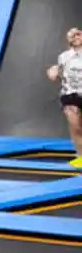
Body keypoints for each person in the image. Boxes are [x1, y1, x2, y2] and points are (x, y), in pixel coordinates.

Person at [46, 28, 82, 168]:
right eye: (72, 35)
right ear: (69, 40)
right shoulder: (64, 56)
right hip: (70, 94)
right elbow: (57, 73)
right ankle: (81, 156)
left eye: (78, 34)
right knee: (75, 125)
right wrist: (52, 73)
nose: (76, 37)